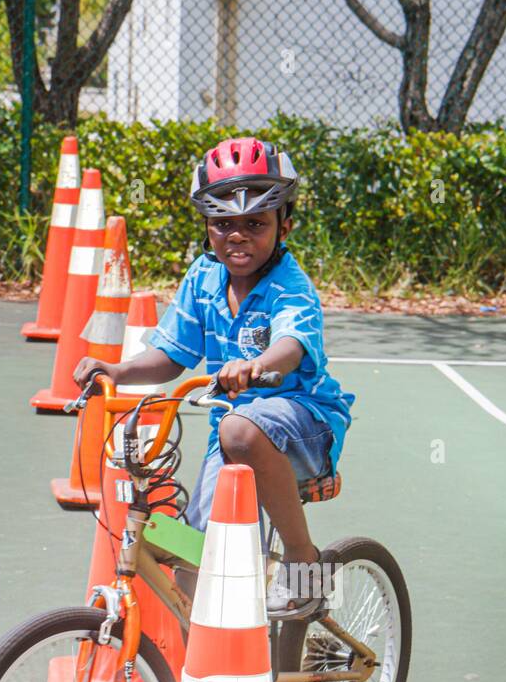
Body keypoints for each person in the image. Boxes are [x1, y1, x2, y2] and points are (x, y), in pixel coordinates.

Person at [73, 135, 354, 618]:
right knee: (193, 562)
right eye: (223, 224)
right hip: (230, 433)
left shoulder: (291, 287)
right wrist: (116, 371)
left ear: (284, 225)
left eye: (255, 224)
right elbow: (169, 355)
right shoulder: (203, 278)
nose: (237, 235)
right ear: (207, 227)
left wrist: (257, 366)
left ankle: (303, 560)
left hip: (306, 423)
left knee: (239, 429)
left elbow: (290, 346)